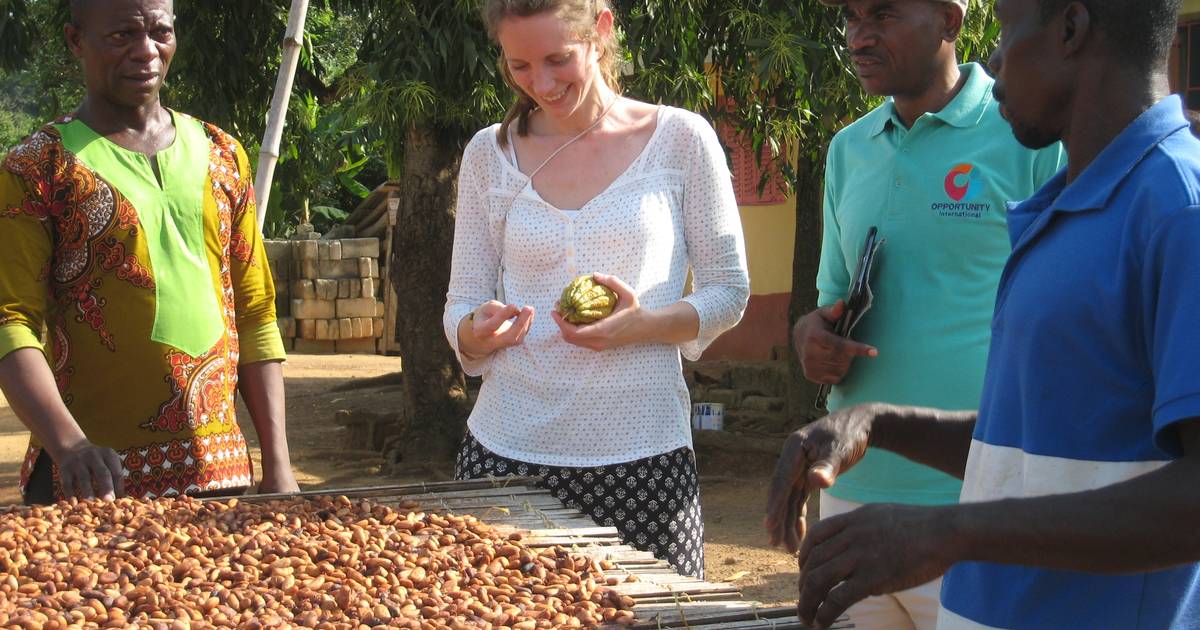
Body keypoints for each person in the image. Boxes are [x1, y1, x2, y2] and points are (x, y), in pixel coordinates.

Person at [766, 0, 1200, 628]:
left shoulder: (1179, 212)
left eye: (1003, 30)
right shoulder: (1067, 204)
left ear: (1071, 30)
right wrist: (881, 423)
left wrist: (953, 530)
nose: (992, 59)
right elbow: (1033, 452)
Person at [443, 0, 749, 578]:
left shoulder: (681, 139)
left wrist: (645, 324)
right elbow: (461, 301)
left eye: (558, 59)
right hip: (505, 452)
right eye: (521, 66)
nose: (543, 84)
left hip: (642, 459)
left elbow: (728, 291)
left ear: (602, 28)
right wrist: (474, 332)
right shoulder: (490, 153)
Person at [788, 0, 1062, 626]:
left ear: (949, 19)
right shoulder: (848, 149)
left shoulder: (1030, 136)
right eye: (853, 19)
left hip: (978, 499)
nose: (860, 37)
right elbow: (830, 300)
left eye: (883, 15)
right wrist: (812, 337)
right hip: (851, 492)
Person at [0, 0, 298, 502]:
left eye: (161, 32)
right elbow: (10, 322)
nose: (147, 51)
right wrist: (71, 445)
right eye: (122, 36)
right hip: (89, 484)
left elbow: (254, 313)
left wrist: (279, 467)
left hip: (218, 477)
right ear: (76, 41)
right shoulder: (37, 168)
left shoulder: (223, 154)